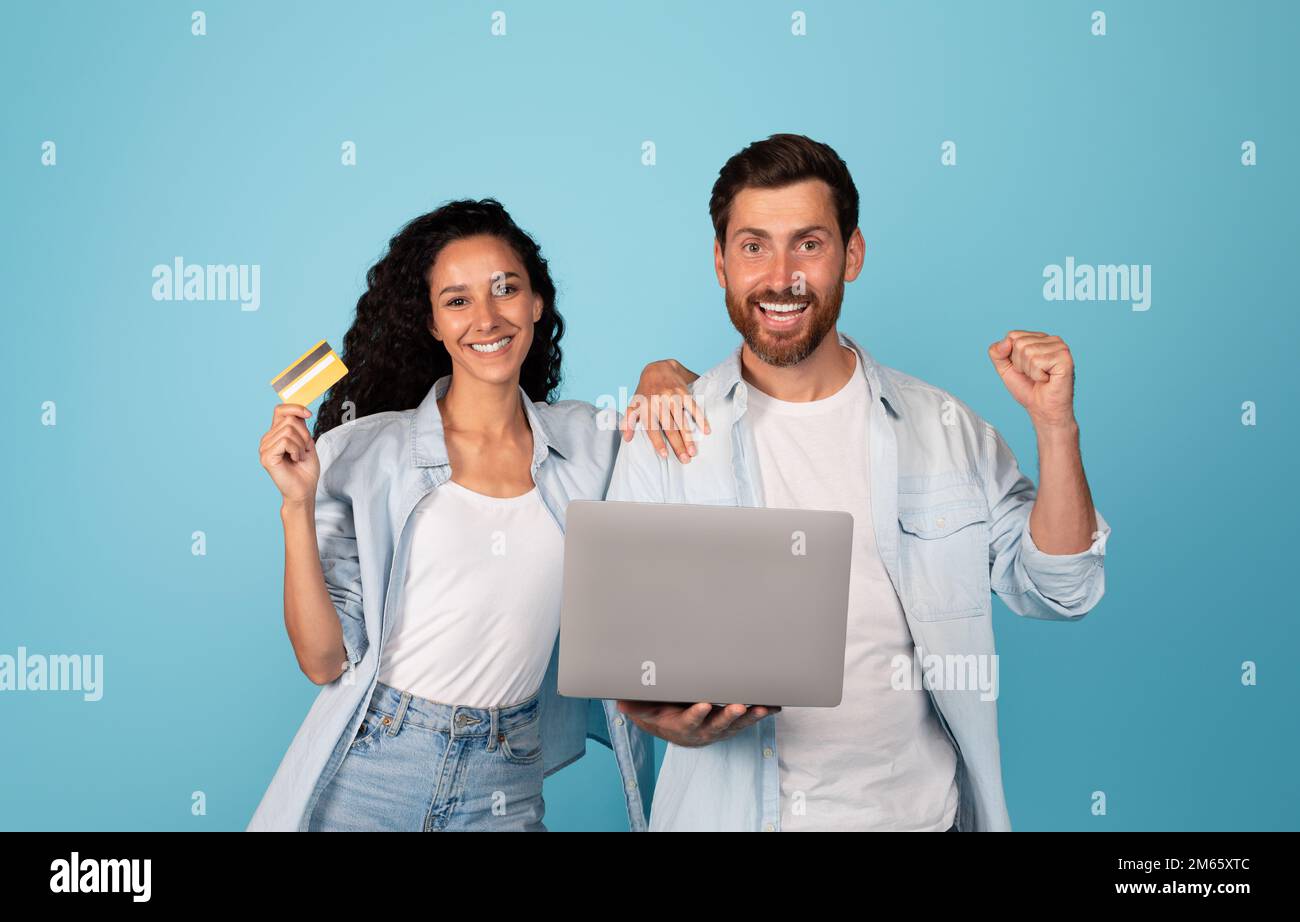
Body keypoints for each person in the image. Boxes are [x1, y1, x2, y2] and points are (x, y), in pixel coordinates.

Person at [609, 134, 1112, 832]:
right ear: (721, 262)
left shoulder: (944, 428)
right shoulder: (665, 437)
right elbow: (624, 664)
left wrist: (1057, 428)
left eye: (808, 244)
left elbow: (1063, 589)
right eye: (754, 246)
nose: (780, 275)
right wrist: (671, 721)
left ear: (852, 255)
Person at [248, 198, 702, 831]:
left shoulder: (594, 442)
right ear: (432, 322)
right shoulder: (359, 451)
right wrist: (296, 505)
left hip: (506, 772)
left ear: (537, 302)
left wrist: (666, 374)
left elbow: (699, 460)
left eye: (505, 289)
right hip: (376, 765)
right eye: (457, 300)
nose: (486, 318)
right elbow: (324, 662)